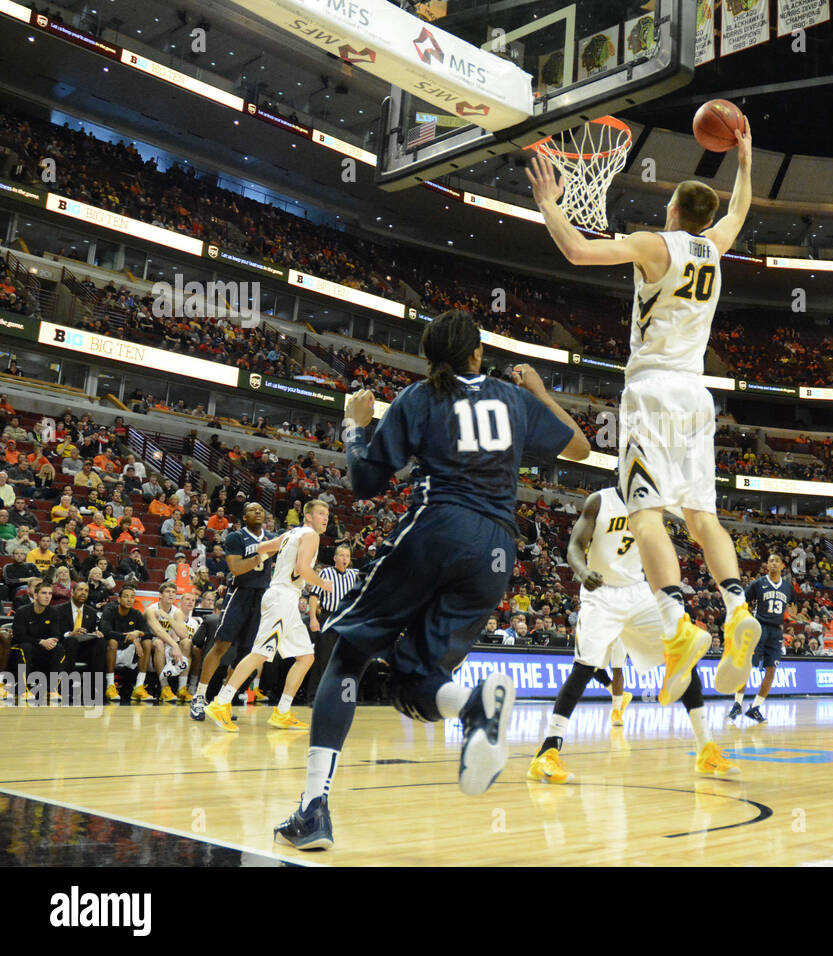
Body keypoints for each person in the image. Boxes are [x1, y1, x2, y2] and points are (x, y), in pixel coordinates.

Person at [274, 310, 589, 851]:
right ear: (477, 354)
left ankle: (315, 809)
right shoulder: (512, 401)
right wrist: (538, 389)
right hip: (496, 552)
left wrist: (355, 425)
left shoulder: (420, 398)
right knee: (409, 680)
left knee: (347, 653)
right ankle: (473, 709)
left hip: (437, 527)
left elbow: (367, 481)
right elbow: (580, 447)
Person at [525, 120, 761, 705]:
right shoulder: (716, 247)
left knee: (647, 513)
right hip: (697, 398)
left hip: (652, 390)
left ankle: (679, 627)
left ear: (675, 211)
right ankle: (736, 609)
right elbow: (739, 211)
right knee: (703, 519)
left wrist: (550, 205)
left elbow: (578, 250)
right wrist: (745, 161)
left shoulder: (656, 244)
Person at [527, 487, 738, 784]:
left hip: (639, 592)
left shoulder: (653, 504)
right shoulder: (599, 500)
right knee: (585, 668)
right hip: (600, 594)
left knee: (681, 654)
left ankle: (706, 749)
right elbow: (574, 545)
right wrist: (581, 571)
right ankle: (547, 751)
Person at [205, 501, 334, 732]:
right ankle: (220, 702)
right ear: (308, 516)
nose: (326, 518)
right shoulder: (311, 535)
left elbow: (262, 546)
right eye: (321, 514)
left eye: (327, 514)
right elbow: (303, 568)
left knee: (305, 657)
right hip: (282, 597)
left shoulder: (290, 534)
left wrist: (259, 560)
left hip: (285, 598)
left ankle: (282, 712)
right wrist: (322, 582)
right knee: (260, 653)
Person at [189, 502, 283, 720]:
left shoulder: (271, 537)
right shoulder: (236, 537)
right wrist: (263, 554)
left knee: (246, 654)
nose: (258, 511)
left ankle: (222, 701)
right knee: (221, 645)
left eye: (261, 509)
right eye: (252, 509)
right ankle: (199, 697)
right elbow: (237, 569)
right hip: (239, 594)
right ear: (244, 516)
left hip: (261, 598)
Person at [732, 553, 795, 723]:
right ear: (767, 565)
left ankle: (755, 708)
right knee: (746, 667)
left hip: (776, 632)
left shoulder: (788, 588)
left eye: (777, 560)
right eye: (771, 560)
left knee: (771, 671)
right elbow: (742, 603)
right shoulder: (757, 584)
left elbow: (793, 608)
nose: (773, 563)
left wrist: (792, 618)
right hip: (758, 628)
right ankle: (737, 703)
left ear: (783, 565)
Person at [304, 544, 359, 702]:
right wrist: (313, 617)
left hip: (346, 621)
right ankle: (315, 697)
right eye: (341, 555)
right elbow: (314, 596)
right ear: (335, 558)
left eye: (347, 556)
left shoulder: (353, 575)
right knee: (323, 658)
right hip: (328, 618)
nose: (344, 559)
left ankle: (344, 697)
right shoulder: (325, 573)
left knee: (345, 659)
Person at [11, 582, 68, 701]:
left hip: (43, 648)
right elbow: (19, 636)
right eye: (43, 593)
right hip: (21, 647)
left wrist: (52, 641)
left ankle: (52, 689)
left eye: (50, 593)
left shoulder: (53, 612)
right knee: (25, 647)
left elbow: (57, 633)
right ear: (35, 595)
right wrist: (41, 641)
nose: (47, 596)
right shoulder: (22, 611)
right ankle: (22, 689)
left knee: (59, 649)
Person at [56, 581, 108, 699]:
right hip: (65, 647)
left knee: (100, 641)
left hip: (84, 648)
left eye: (86, 591)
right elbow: (54, 633)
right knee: (71, 640)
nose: (83, 593)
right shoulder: (58, 610)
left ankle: (95, 688)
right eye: (80, 590)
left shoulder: (92, 612)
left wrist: (96, 633)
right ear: (72, 592)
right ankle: (66, 687)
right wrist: (70, 633)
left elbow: (93, 630)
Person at [144, 583, 194, 704]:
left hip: (170, 645)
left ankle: (182, 689)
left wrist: (168, 617)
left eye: (173, 592)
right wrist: (174, 644)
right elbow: (158, 631)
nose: (171, 594)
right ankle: (164, 688)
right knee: (159, 642)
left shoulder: (177, 612)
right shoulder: (150, 610)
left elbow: (183, 635)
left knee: (187, 643)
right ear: (160, 595)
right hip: (150, 644)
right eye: (167, 591)